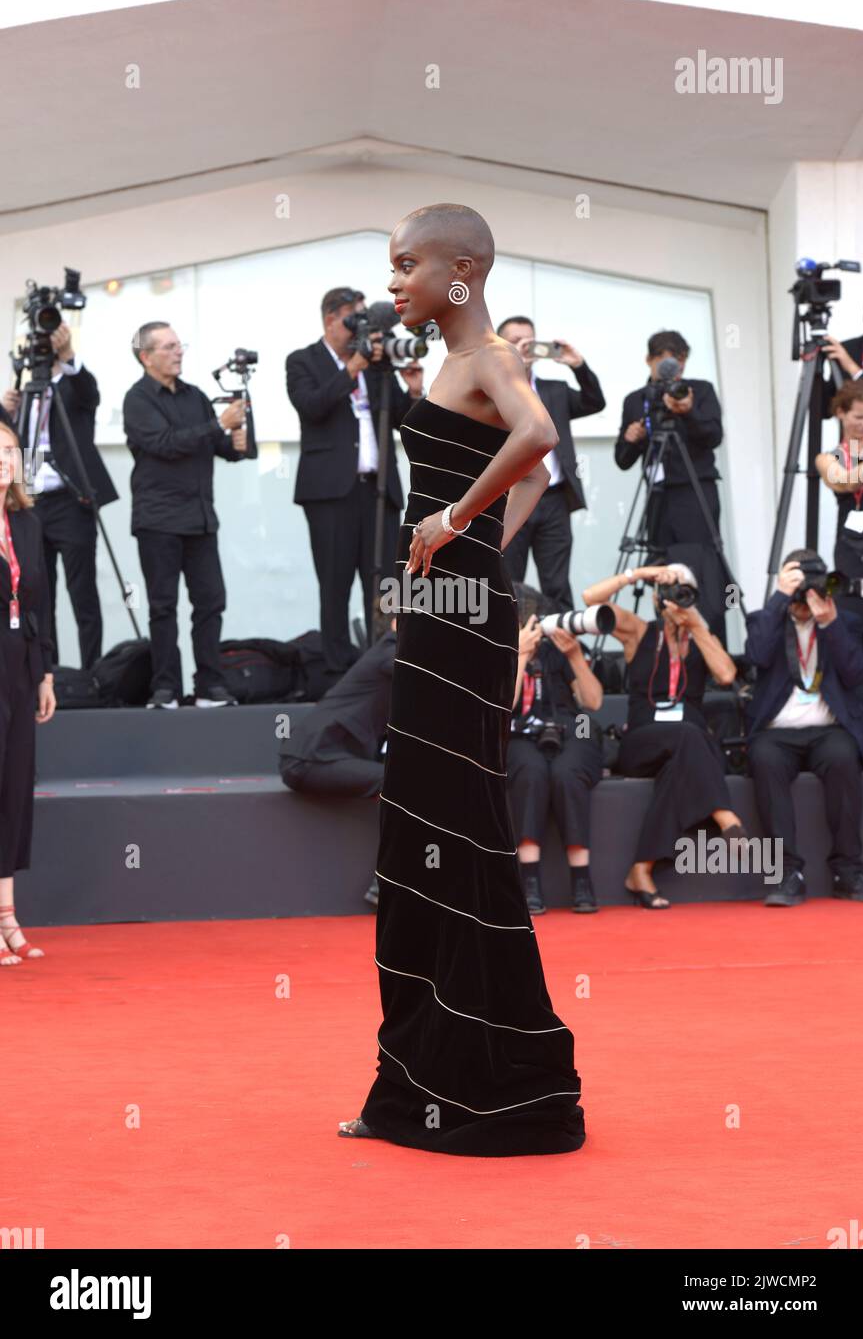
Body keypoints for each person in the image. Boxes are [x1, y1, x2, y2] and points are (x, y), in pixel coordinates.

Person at [338, 202, 585, 1155]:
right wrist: (478, 536)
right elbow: (520, 476)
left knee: (455, 825)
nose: (394, 281)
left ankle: (498, 1083)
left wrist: (454, 527)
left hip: (465, 614)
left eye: (408, 264)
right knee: (420, 828)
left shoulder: (488, 360)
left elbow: (538, 444)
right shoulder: (442, 365)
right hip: (446, 609)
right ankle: (415, 1083)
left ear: (463, 271)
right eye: (392, 265)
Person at [582, 562, 744, 908]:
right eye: (670, 590)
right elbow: (589, 600)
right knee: (689, 734)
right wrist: (639, 575)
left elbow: (727, 675)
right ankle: (724, 815)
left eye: (683, 591)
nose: (676, 597)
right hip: (642, 741)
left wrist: (696, 624)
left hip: (688, 748)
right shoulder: (640, 631)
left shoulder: (701, 634)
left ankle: (641, 869)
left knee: (679, 765)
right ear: (658, 597)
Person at [285, 288, 424, 678]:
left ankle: (381, 664)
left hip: (378, 493)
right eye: (353, 318)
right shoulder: (303, 361)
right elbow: (311, 406)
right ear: (331, 320)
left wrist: (413, 390)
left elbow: (404, 421)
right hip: (330, 495)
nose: (361, 327)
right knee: (335, 583)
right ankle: (334, 672)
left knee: (382, 585)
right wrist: (352, 369)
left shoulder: (377, 365)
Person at [123, 322, 247, 708]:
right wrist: (218, 425)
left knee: (211, 602)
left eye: (180, 345)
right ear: (146, 356)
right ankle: (165, 687)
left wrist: (238, 439)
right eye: (169, 346)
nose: (179, 352)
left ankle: (209, 684)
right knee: (163, 607)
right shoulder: (137, 399)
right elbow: (164, 445)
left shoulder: (194, 396)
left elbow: (222, 447)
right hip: (158, 519)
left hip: (200, 518)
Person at [744, 550, 863, 907]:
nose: (804, 600)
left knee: (845, 757)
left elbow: (856, 674)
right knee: (764, 761)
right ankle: (785, 872)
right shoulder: (765, 620)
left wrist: (828, 624)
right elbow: (756, 656)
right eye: (798, 590)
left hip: (828, 728)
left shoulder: (843, 622)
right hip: (776, 731)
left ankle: (849, 870)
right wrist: (779, 600)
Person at [1, 322, 118, 668]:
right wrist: (6, 409)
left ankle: (92, 673)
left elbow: (90, 393)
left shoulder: (71, 386)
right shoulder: (25, 394)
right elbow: (12, 445)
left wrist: (68, 356)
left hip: (71, 499)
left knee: (82, 594)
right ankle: (44, 672)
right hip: (31, 501)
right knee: (36, 593)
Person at [280, 612, 397, 908]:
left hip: (323, 756)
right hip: (310, 757)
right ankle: (387, 881)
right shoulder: (390, 651)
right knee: (398, 785)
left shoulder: (389, 654)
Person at [497, 316, 606, 611]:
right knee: (507, 581)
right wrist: (510, 370)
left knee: (557, 584)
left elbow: (594, 402)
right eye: (517, 340)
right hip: (510, 498)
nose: (526, 345)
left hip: (554, 499)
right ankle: (513, 652)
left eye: (530, 339)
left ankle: (561, 651)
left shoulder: (554, 390)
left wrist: (577, 365)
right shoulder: (492, 390)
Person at [0, 415, 57, 966]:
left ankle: (8, 914)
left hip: (20, 665)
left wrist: (45, 672)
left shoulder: (28, 522)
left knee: (15, 786)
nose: (3, 459)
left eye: (11, 449)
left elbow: (39, 605)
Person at [508, 589, 604, 914]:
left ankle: (581, 879)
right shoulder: (498, 651)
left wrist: (576, 656)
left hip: (568, 725)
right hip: (516, 730)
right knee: (531, 773)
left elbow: (593, 702)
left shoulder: (557, 651)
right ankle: (529, 879)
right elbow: (502, 707)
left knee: (567, 774)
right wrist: (520, 655)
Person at [614, 330, 723, 551]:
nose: (675, 366)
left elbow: (714, 437)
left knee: (701, 561)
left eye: (681, 360)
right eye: (666, 360)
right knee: (659, 561)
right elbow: (622, 461)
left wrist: (689, 411)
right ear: (649, 360)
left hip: (696, 491)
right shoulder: (636, 400)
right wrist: (631, 439)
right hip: (657, 494)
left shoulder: (700, 391)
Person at [815, 380, 863, 653]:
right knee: (853, 620)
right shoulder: (829, 457)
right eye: (859, 416)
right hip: (850, 546)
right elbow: (842, 481)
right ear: (841, 414)